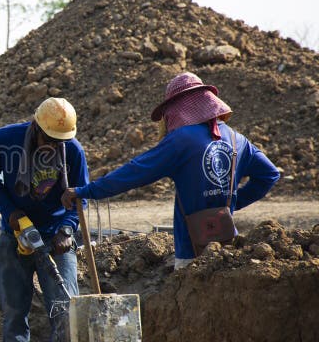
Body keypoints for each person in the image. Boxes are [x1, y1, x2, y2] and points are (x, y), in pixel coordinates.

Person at [62, 72, 280, 269]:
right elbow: (269, 174)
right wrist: (231, 203)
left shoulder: (181, 140)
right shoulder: (237, 139)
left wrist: (86, 191)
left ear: (178, 107)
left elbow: (134, 172)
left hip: (191, 251)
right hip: (227, 248)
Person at [0, 97, 88, 342]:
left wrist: (67, 229)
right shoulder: (6, 140)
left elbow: (80, 197)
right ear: (36, 127)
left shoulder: (73, 151)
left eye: (59, 142)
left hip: (56, 238)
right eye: (49, 139)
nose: (54, 146)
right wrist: (11, 213)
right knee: (14, 310)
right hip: (16, 235)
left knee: (64, 308)